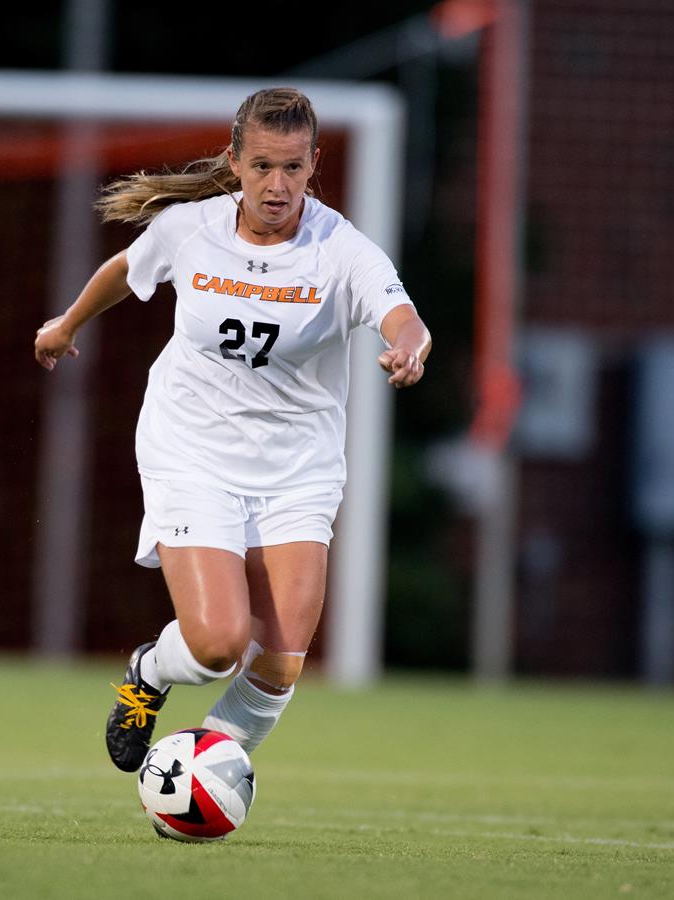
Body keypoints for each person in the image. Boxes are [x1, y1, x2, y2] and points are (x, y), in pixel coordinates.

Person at [33, 88, 430, 770]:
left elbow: (402, 315)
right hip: (193, 449)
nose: (278, 186)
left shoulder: (341, 250)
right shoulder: (191, 230)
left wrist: (411, 346)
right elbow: (126, 273)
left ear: (314, 165)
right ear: (235, 162)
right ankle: (151, 673)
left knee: (279, 664)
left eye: (295, 169)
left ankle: (198, 779)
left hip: (298, 463)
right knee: (217, 644)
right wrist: (66, 325)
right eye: (263, 167)